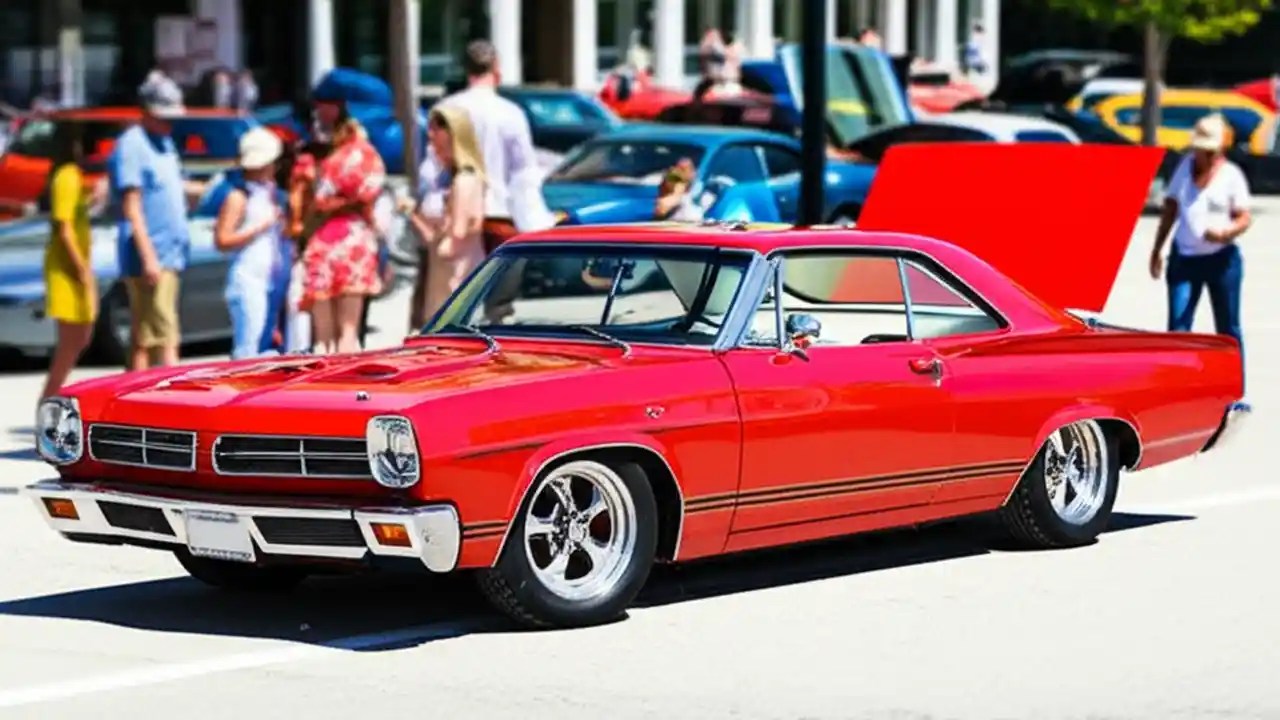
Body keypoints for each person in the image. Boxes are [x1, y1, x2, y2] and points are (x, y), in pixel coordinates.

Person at [413, 39, 556, 325]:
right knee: (496, 308)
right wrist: (535, 221)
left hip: (455, 214)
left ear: (466, 69)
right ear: (497, 69)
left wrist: (428, 210)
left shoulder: (448, 108)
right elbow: (523, 173)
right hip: (500, 215)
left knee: (447, 301)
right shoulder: (510, 113)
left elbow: (429, 171)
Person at [1149, 113, 1253, 389]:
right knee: (1178, 328)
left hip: (1222, 262)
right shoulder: (1184, 168)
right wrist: (1157, 249)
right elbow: (1171, 209)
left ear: (1217, 151)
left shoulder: (1231, 176)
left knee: (1228, 328)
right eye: (1198, 149)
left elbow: (1244, 217)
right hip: (1184, 259)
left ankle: (1235, 386)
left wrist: (1225, 232)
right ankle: (1177, 385)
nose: (1201, 155)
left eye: (1206, 151)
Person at [108, 78, 203, 371]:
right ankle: (169, 403)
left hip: (170, 254)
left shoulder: (164, 142)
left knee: (145, 335)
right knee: (164, 335)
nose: (170, 124)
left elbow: (173, 187)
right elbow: (132, 205)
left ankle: (132, 404)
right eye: (165, 118)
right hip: (152, 256)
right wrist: (148, 257)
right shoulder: (132, 145)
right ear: (147, 111)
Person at [293, 98, 386, 354]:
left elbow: (314, 203)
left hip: (323, 241)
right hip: (355, 241)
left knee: (322, 339)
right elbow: (370, 196)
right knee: (349, 334)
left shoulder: (322, 162)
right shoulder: (368, 157)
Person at [405, 106, 486, 320]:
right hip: (452, 277)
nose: (430, 138)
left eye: (435, 131)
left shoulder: (464, 181)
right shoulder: (461, 179)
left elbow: (456, 236)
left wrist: (440, 246)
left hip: (455, 280)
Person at [214, 127, 287, 359]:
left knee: (264, 345)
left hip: (267, 279)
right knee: (248, 348)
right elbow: (222, 240)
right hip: (248, 279)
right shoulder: (238, 196)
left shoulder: (268, 192)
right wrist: (259, 228)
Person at [39, 122, 96, 400]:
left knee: (80, 338)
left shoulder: (73, 177)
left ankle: (51, 397)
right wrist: (81, 268)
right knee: (72, 340)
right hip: (66, 269)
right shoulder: (67, 175)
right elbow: (64, 227)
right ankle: (49, 400)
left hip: (73, 266)